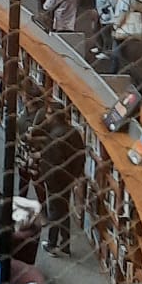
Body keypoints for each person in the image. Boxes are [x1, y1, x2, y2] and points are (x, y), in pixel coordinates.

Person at [36, 103, 84, 256]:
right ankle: (65, 244)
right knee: (63, 210)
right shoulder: (73, 132)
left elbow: (53, 160)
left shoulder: (56, 135)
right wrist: (75, 175)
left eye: (49, 114)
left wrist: (40, 158)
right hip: (68, 177)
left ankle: (52, 244)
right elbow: (80, 156)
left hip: (55, 180)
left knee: (55, 211)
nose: (46, 116)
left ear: (55, 116)